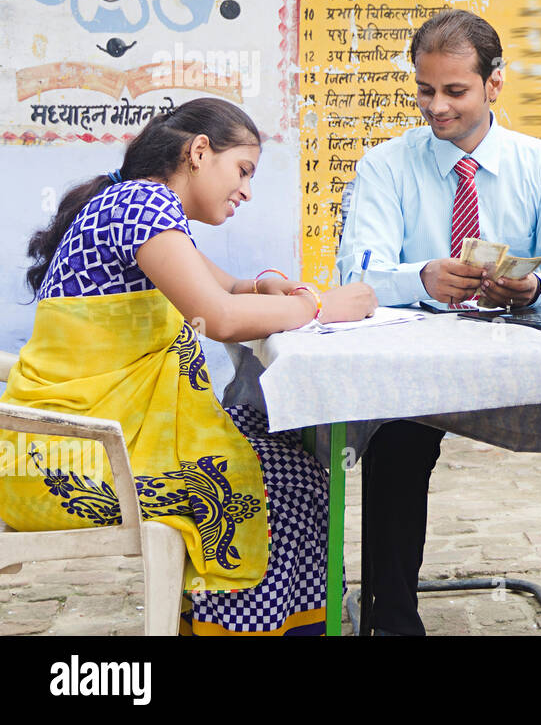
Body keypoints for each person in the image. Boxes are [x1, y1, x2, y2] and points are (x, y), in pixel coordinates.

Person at [0, 98, 377, 635]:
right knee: (285, 479)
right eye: (243, 170)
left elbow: (229, 287)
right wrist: (318, 307)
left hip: (94, 438)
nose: (247, 191)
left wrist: (269, 281)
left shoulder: (133, 204)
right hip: (80, 455)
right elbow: (218, 316)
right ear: (200, 152)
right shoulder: (143, 205)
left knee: (281, 448)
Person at [335, 8, 541, 636]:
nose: (436, 107)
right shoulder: (386, 166)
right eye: (424, 90)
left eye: (454, 91)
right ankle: (394, 618)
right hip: (422, 367)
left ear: (494, 84)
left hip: (520, 359)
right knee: (398, 441)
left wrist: (534, 289)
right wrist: (422, 279)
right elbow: (357, 272)